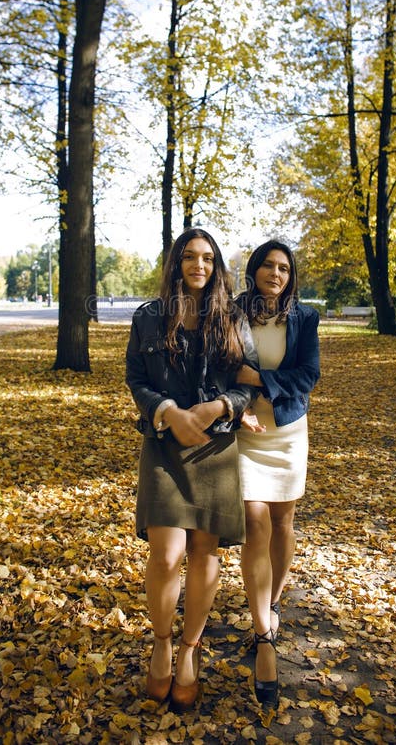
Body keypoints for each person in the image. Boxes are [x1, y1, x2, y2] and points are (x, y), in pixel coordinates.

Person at [125, 227, 259, 712]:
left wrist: (218, 406)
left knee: (204, 553)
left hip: (215, 448)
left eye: (207, 258)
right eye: (189, 257)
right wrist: (169, 412)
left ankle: (189, 651)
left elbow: (249, 383)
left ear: (216, 265)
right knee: (165, 555)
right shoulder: (149, 317)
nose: (198, 265)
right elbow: (135, 379)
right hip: (163, 446)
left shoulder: (233, 319)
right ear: (176, 262)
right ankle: (161, 642)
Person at [235, 240, 320, 707]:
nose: (275, 272)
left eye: (283, 267)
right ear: (255, 270)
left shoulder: (304, 319)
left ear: (291, 276)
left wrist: (260, 380)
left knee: (283, 523)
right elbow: (221, 364)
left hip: (287, 430)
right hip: (245, 430)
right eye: (267, 264)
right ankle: (264, 634)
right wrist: (241, 392)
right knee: (255, 521)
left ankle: (269, 605)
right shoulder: (232, 312)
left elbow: (308, 376)